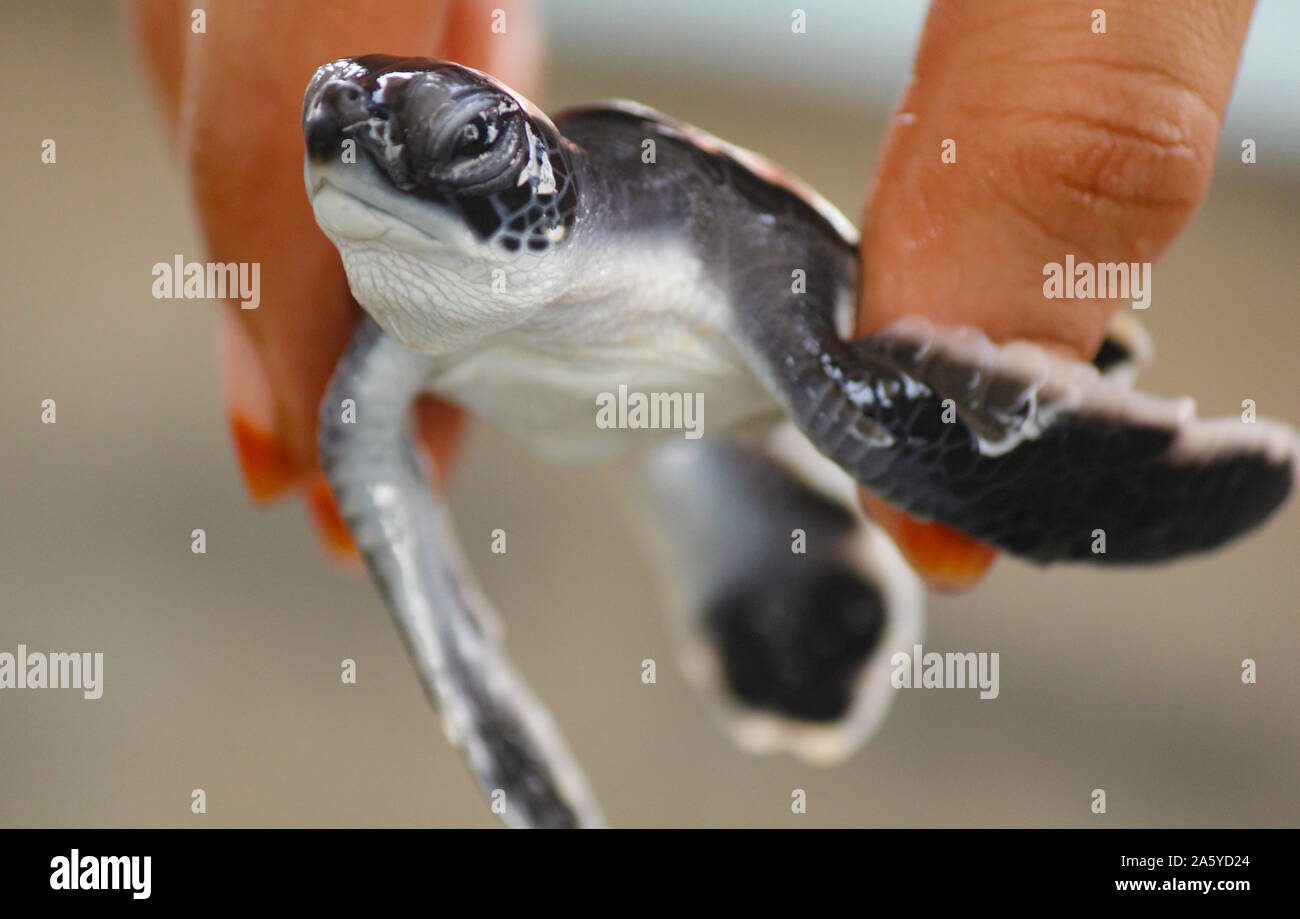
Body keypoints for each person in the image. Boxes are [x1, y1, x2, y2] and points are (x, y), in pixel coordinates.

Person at [130, 0, 1257, 589]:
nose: (361, 153)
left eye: (468, 143)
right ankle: (757, 547)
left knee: (877, 429)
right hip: (541, 363)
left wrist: (1028, 474)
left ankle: (782, 524)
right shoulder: (402, 304)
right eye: (332, 134)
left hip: (746, 312)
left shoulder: (719, 246)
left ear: (532, 175)